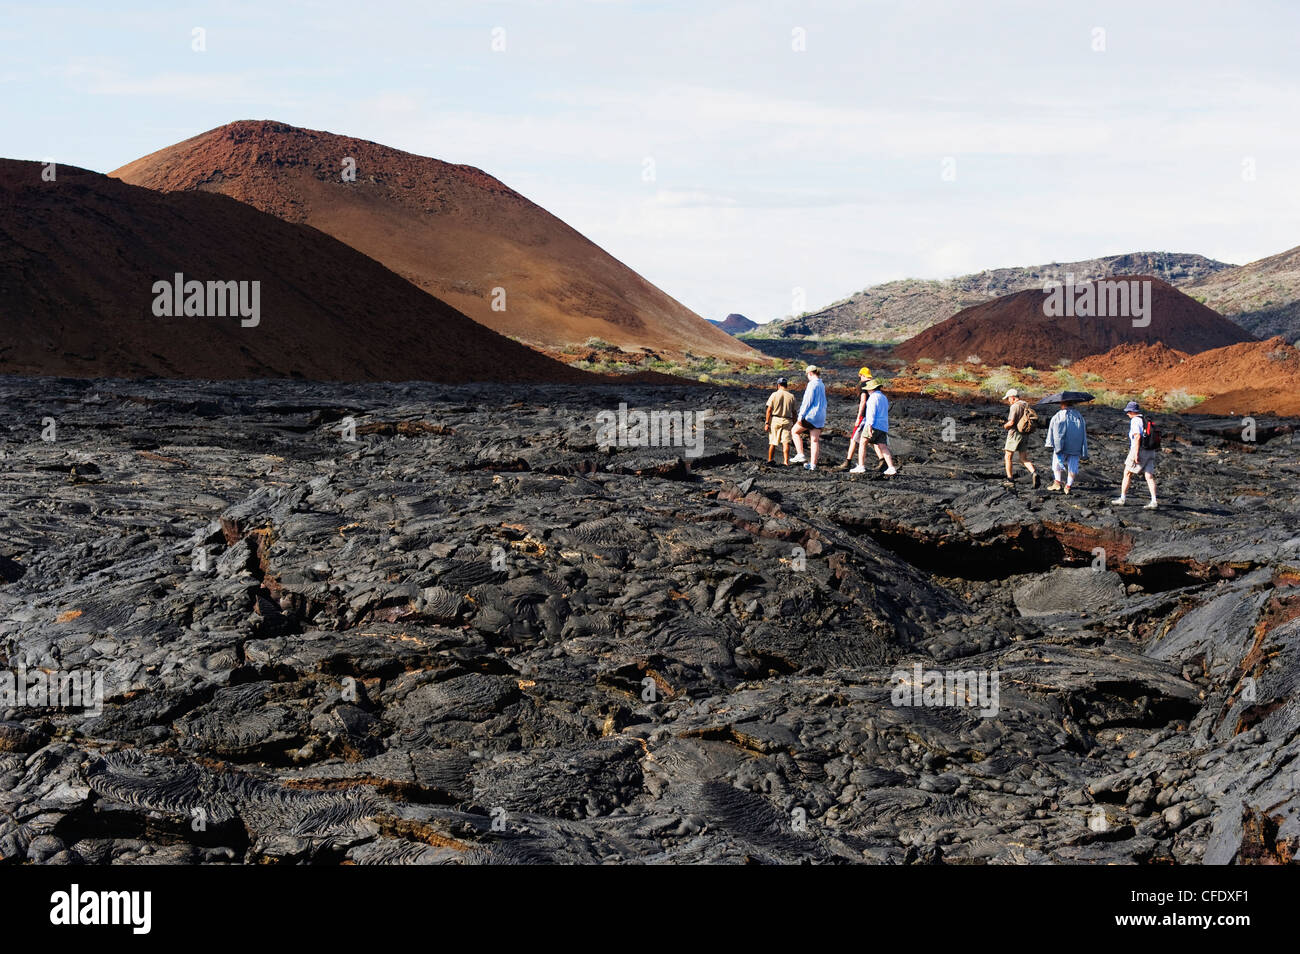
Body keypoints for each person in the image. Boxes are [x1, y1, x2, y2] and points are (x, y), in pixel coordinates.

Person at [1112, 400, 1158, 509]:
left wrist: (1136, 454)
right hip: (1151, 450)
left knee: (1127, 473)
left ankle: (1122, 498)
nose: (1127, 413)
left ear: (1132, 411)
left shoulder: (1135, 421)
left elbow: (1137, 437)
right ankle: (1154, 501)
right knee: (1149, 476)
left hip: (1139, 450)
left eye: (1128, 411)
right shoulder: (1145, 419)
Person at [851, 377, 897, 475]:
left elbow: (871, 413)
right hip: (883, 426)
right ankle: (891, 468)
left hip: (873, 424)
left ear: (872, 389)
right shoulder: (884, 397)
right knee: (883, 447)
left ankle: (861, 466)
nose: (867, 391)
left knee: (862, 443)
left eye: (868, 389)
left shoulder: (872, 398)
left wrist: (869, 426)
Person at [1043, 399, 1088, 494]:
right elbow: (1083, 431)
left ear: (1063, 404)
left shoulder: (1058, 416)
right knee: (1073, 466)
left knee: (1056, 464)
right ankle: (1068, 486)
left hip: (1061, 445)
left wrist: (1050, 443)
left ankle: (1057, 483)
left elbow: (1052, 429)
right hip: (1076, 445)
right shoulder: (1079, 416)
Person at [835, 367, 874, 471]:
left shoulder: (863, 385)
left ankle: (848, 461)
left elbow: (863, 401)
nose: (860, 378)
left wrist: (858, 417)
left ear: (862, 375)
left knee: (853, 439)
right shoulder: (873, 385)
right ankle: (882, 461)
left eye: (860, 376)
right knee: (874, 441)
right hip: (873, 416)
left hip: (864, 416)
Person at [1001, 388, 1040, 488]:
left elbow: (1012, 422)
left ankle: (1010, 480)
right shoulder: (1025, 404)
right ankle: (1034, 473)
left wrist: (1005, 426)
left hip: (1014, 434)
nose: (1008, 400)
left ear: (1013, 398)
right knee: (1023, 458)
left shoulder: (1014, 406)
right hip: (1025, 434)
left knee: (1008, 457)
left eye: (1008, 398)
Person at [790, 365, 826, 470]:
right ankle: (813, 465)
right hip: (821, 416)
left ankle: (800, 454)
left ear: (810, 373)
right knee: (814, 440)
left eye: (807, 375)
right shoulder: (821, 384)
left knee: (794, 431)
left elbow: (807, 401)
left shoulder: (812, 384)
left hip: (811, 416)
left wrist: (800, 416)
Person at [764, 376, 798, 466]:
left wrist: (767, 422)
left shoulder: (774, 395)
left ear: (778, 385)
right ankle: (786, 461)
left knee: (773, 442)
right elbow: (794, 413)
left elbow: (769, 410)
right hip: (787, 420)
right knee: (786, 442)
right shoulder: (791, 396)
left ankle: (770, 459)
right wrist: (795, 425)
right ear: (786, 385)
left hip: (775, 420)